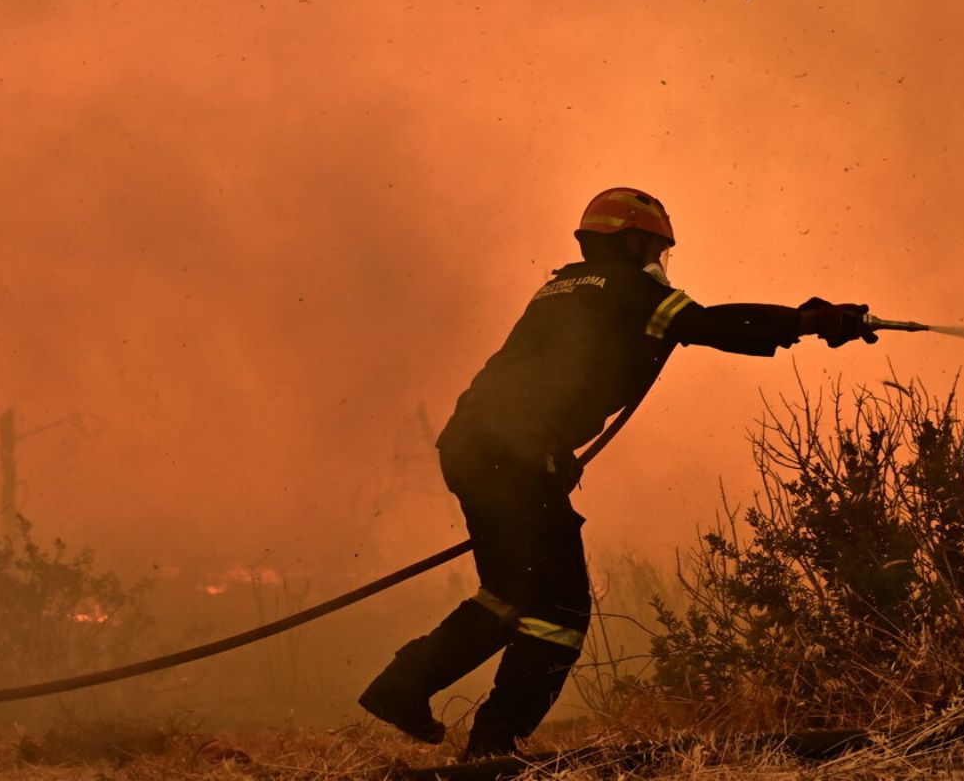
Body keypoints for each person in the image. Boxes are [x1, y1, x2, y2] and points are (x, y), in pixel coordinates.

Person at [359, 187, 877, 760]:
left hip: (473, 447)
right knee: (558, 612)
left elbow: (558, 373)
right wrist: (807, 321)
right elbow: (707, 325)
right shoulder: (627, 290)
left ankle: (402, 687)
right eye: (654, 248)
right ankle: (494, 747)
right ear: (630, 243)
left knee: (508, 593)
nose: (658, 263)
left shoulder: (564, 286)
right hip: (517, 455)